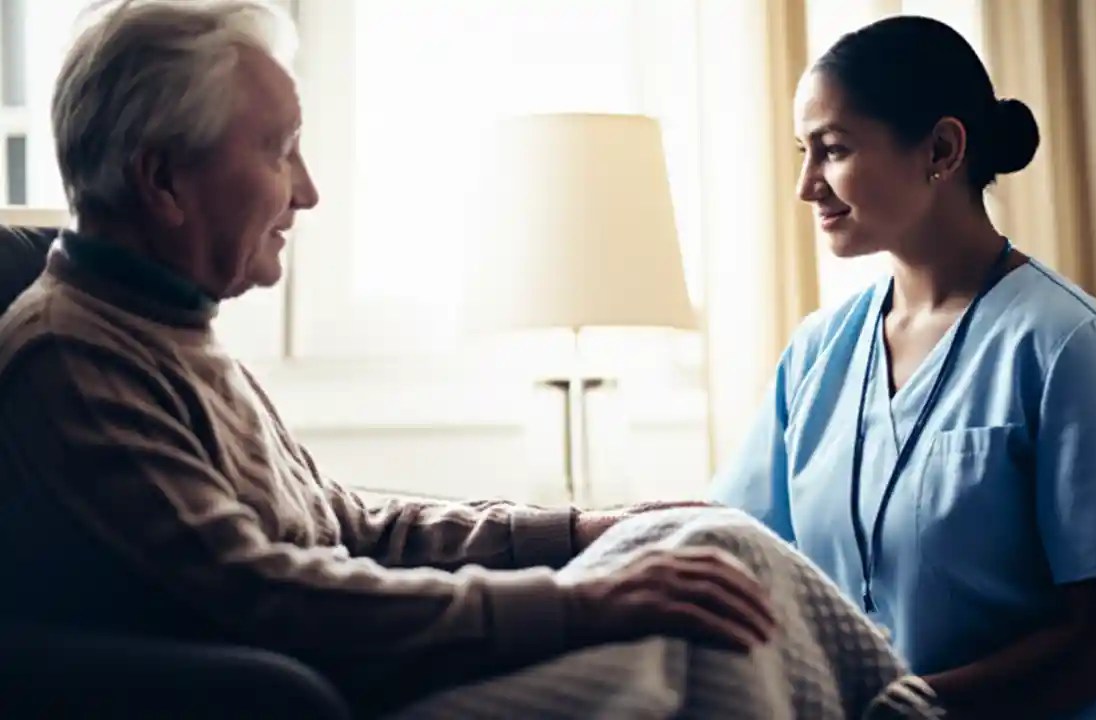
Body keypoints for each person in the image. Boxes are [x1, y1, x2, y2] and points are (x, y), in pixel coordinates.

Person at [0, 0, 776, 713]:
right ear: (162, 177)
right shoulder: (74, 359)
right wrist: (584, 603)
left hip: (372, 665)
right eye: (280, 152)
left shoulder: (172, 328)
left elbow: (353, 527)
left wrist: (579, 530)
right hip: (344, 688)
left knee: (715, 540)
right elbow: (263, 595)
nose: (306, 193)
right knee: (696, 654)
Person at [710, 16, 1096, 720]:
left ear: (941, 148)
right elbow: (740, 546)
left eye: (833, 150)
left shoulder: (1072, 347)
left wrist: (907, 708)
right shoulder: (817, 352)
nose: (808, 185)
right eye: (803, 153)